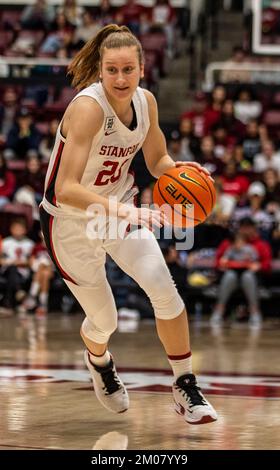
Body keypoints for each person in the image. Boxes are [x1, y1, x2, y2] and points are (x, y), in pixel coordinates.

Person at [39, 24, 217, 425]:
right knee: (106, 321)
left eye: (128, 70)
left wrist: (187, 176)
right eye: (111, 70)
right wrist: (127, 211)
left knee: (163, 288)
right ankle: (99, 362)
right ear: (100, 71)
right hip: (68, 222)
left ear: (142, 69)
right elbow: (66, 189)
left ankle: (185, 384)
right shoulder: (87, 108)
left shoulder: (147, 102)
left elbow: (158, 162)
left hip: (117, 209)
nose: (120, 79)